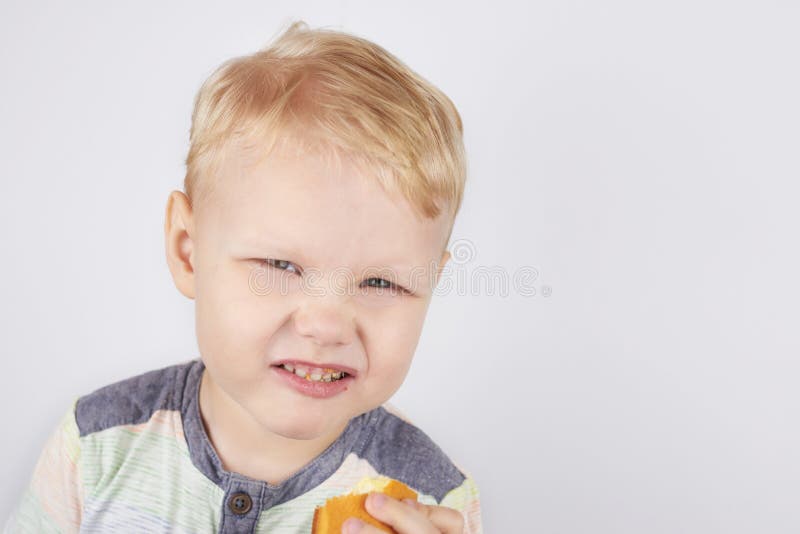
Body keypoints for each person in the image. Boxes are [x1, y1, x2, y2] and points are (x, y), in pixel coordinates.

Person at [5, 20, 482, 534]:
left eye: (381, 283)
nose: (327, 326)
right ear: (188, 252)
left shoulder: (432, 499)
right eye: (282, 266)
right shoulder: (94, 445)